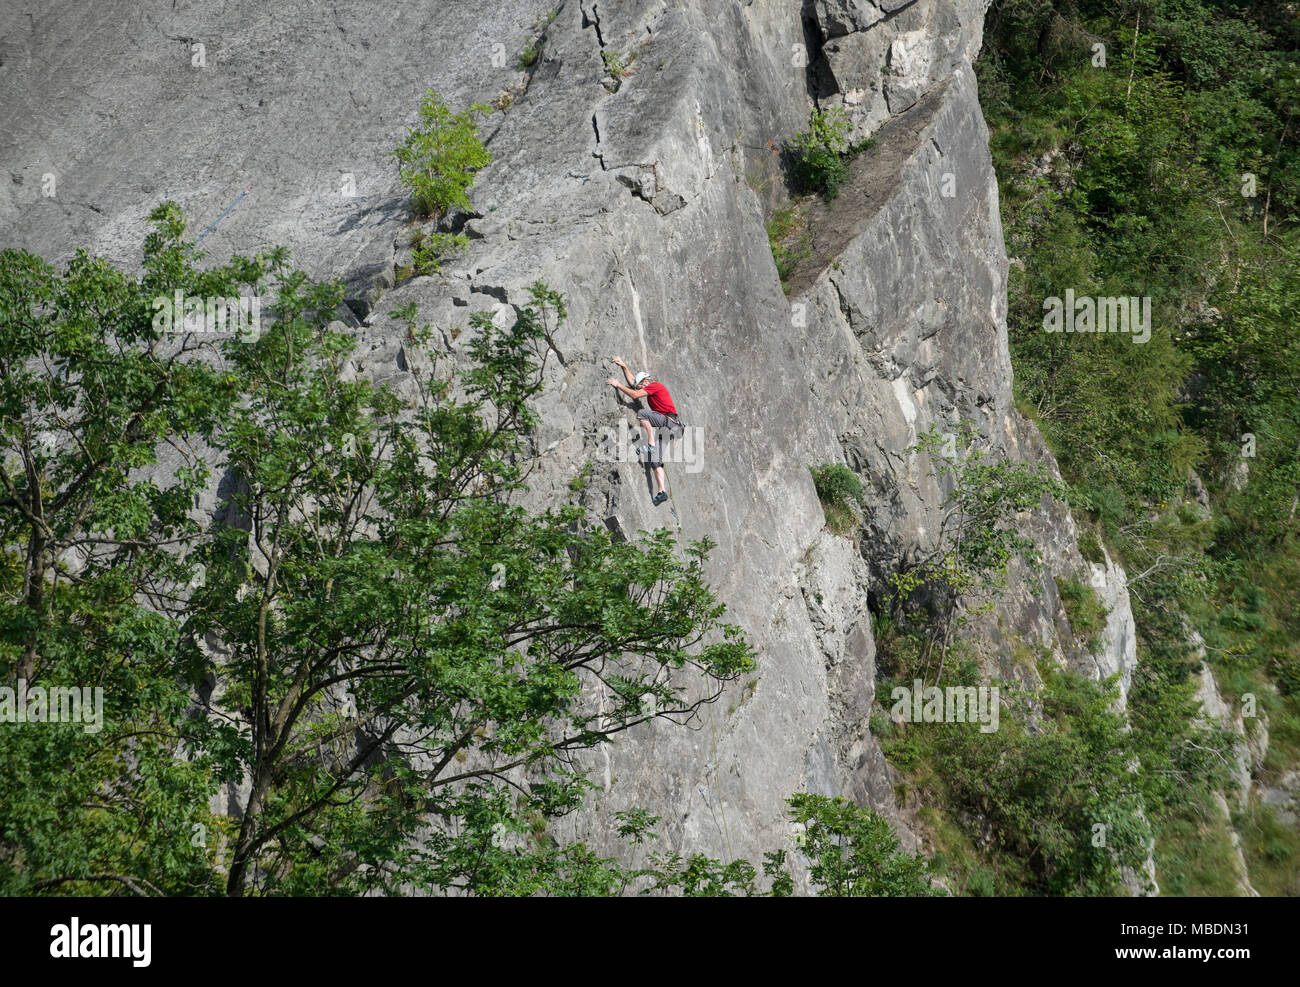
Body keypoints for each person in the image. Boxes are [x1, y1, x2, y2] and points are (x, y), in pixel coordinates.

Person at [606, 356, 683, 506]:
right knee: (655, 460)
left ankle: (650, 442)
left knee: (642, 414)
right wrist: (623, 366)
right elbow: (634, 383)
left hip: (670, 422)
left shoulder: (655, 385)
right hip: (667, 427)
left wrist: (618, 384)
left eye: (641, 386)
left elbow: (634, 393)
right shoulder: (645, 386)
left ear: (646, 381)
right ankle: (662, 492)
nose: (640, 389)